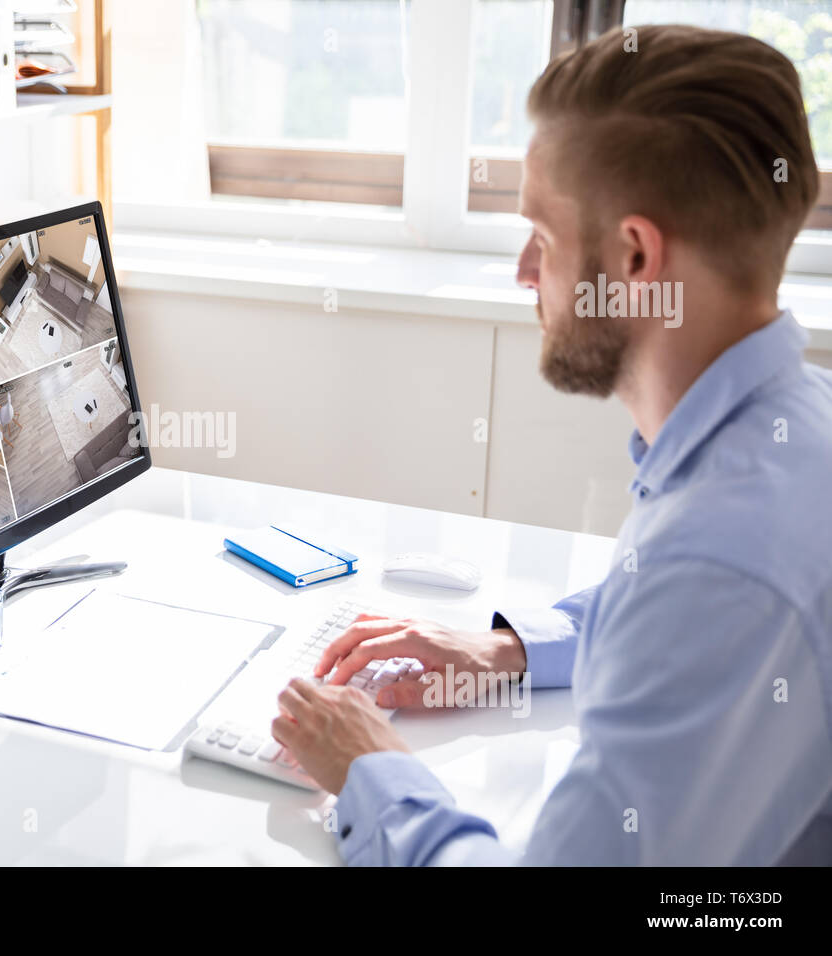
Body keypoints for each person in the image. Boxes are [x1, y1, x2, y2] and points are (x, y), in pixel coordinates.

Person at [272, 24, 832, 865]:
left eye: (544, 234)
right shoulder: (788, 427)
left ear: (635, 255)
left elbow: (700, 602)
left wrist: (372, 771)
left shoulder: (721, 563)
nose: (525, 272)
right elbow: (665, 617)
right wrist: (505, 650)